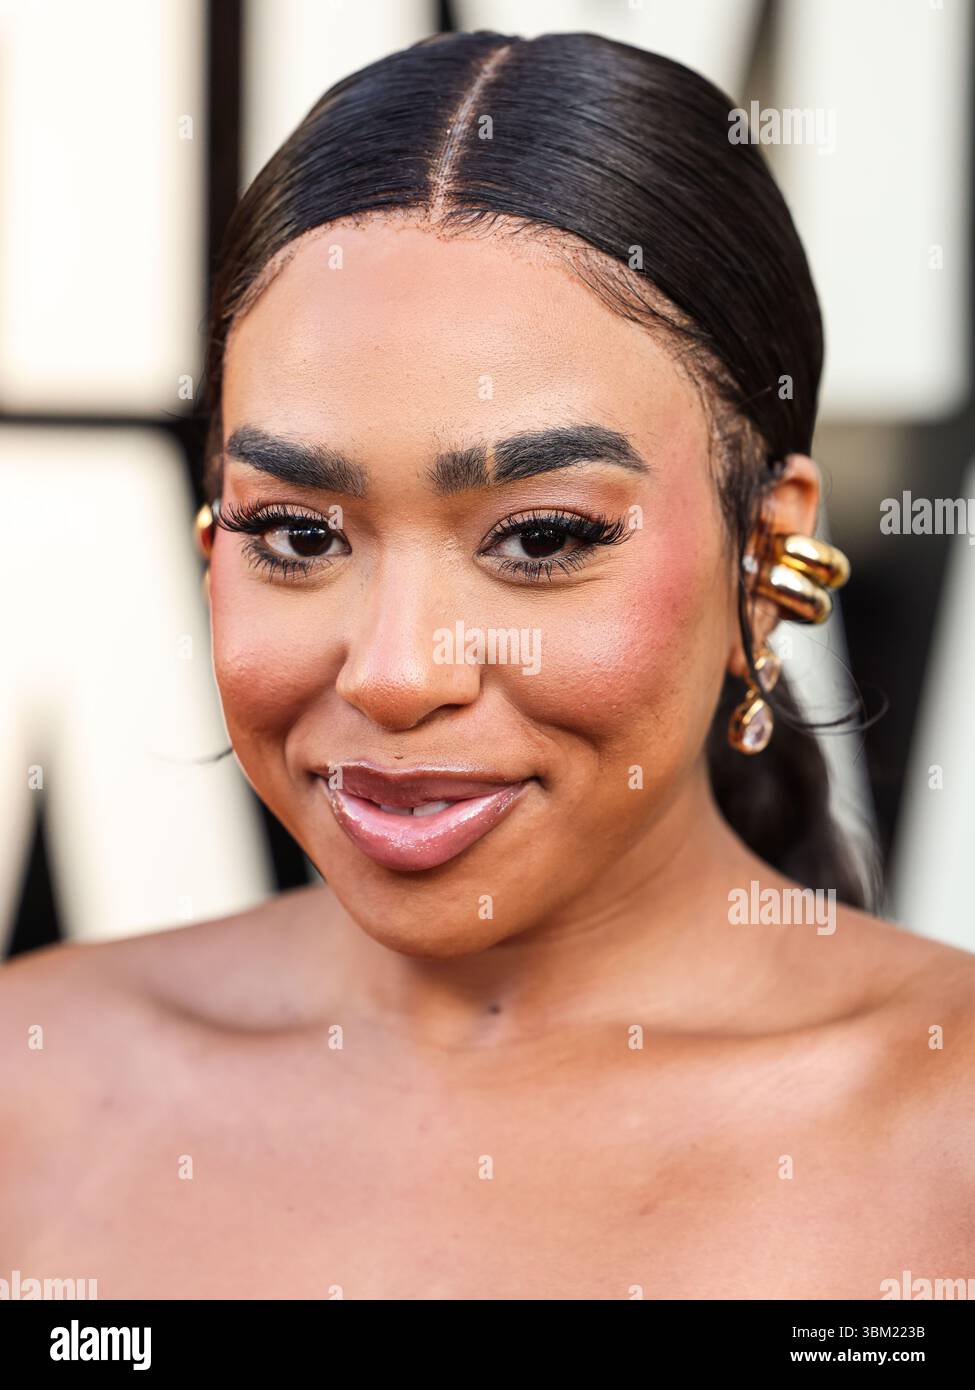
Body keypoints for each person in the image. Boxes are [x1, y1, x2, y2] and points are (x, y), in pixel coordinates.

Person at [3, 30, 973, 1301]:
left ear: (766, 553)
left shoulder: (946, 1133)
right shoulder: (38, 1088)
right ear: (210, 547)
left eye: (544, 537)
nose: (401, 674)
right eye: (298, 534)